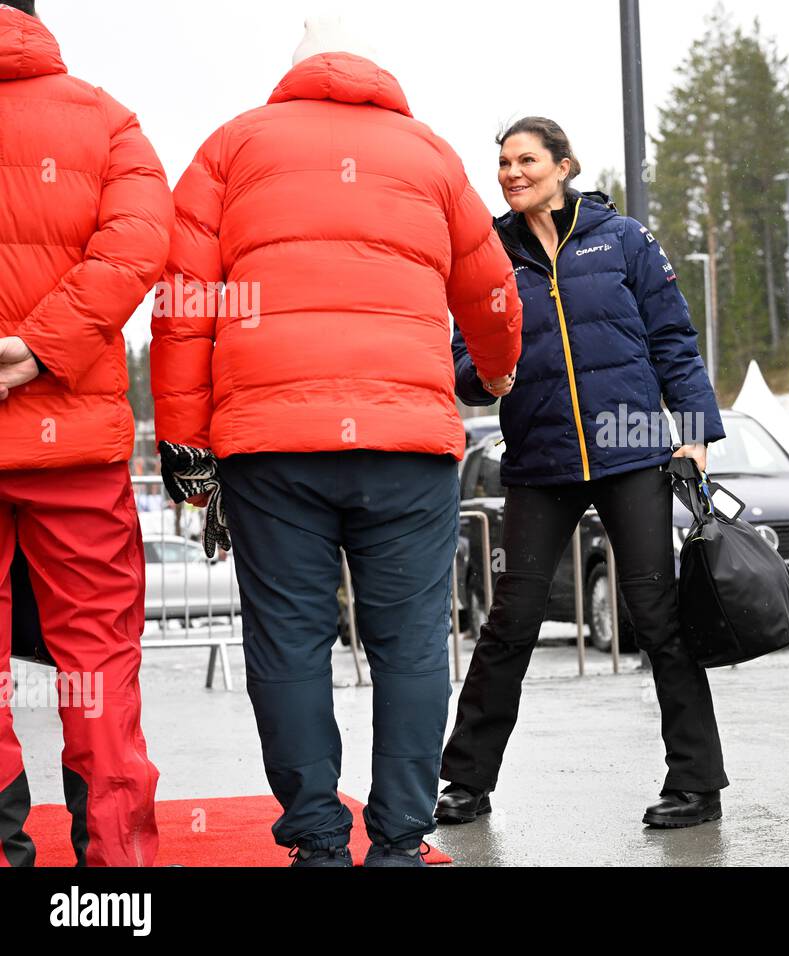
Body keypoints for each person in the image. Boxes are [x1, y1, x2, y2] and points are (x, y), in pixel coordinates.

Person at [150, 17, 521, 867]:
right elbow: (493, 290)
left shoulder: (230, 148)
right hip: (408, 444)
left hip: (271, 447)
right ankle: (398, 840)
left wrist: (184, 444)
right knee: (413, 643)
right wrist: (498, 372)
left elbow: (182, 303)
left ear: (294, 75)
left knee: (288, 641)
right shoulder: (427, 154)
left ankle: (317, 839)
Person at [437, 117, 730, 829]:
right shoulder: (486, 256)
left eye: (526, 159)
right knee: (510, 623)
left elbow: (674, 344)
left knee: (659, 618)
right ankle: (466, 784)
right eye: (502, 162)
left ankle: (697, 783)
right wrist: (486, 378)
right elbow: (462, 360)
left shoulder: (623, 240)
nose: (510, 172)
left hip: (631, 453)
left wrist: (693, 438)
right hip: (540, 460)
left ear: (563, 166)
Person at [0, 0, 172, 867]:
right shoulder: (108, 121)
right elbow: (139, 245)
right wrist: (38, 347)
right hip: (76, 437)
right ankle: (113, 876)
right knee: (100, 665)